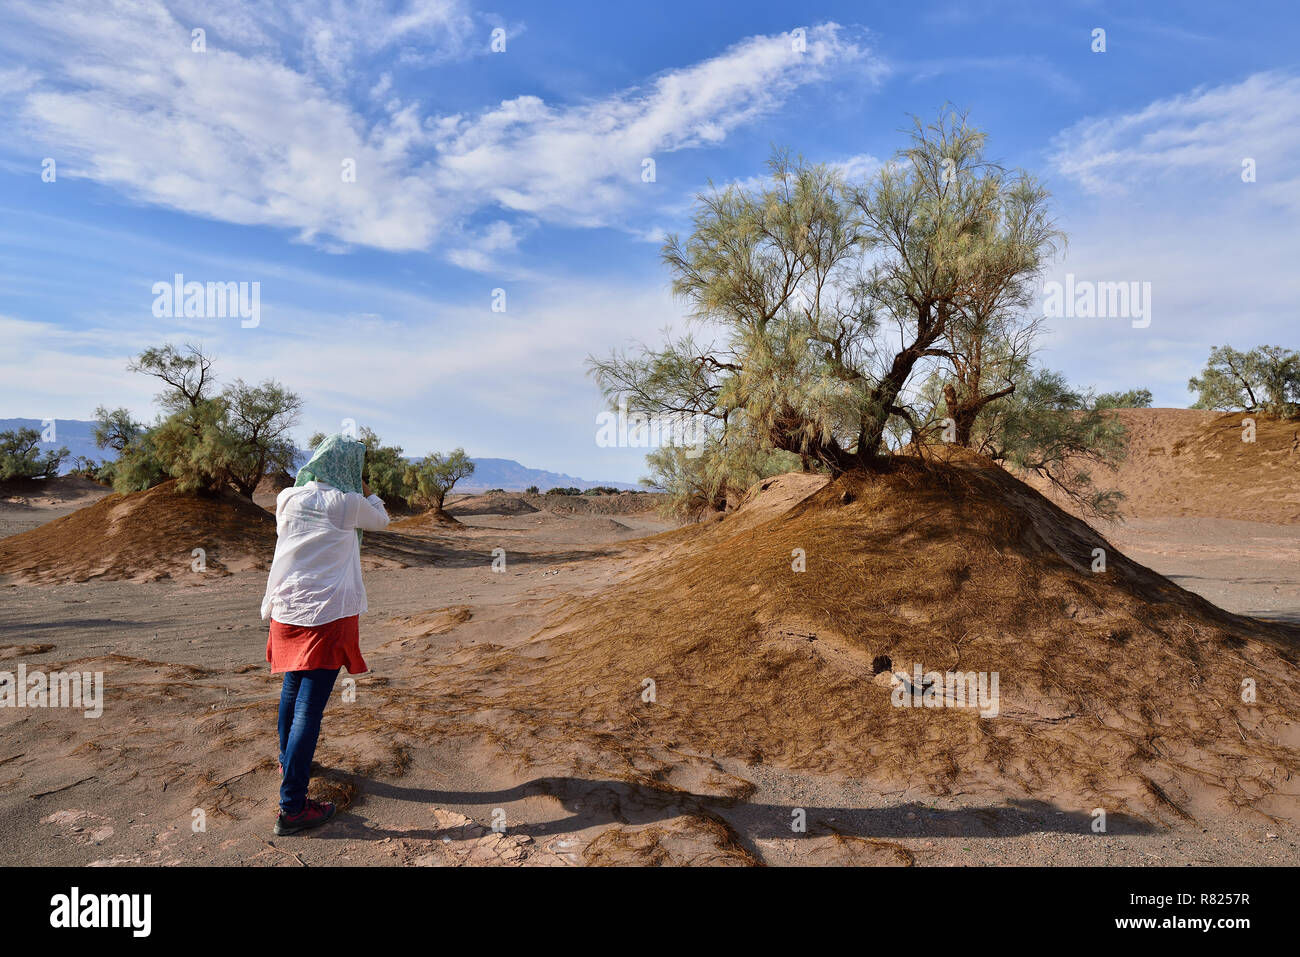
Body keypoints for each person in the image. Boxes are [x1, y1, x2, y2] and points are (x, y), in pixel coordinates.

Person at [260, 434, 390, 835]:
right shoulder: (347, 504)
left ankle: (289, 761)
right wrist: (364, 485)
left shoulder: (287, 497)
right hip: (326, 614)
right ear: (350, 468)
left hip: (286, 609)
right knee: (308, 708)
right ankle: (293, 808)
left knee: (291, 688)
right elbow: (381, 520)